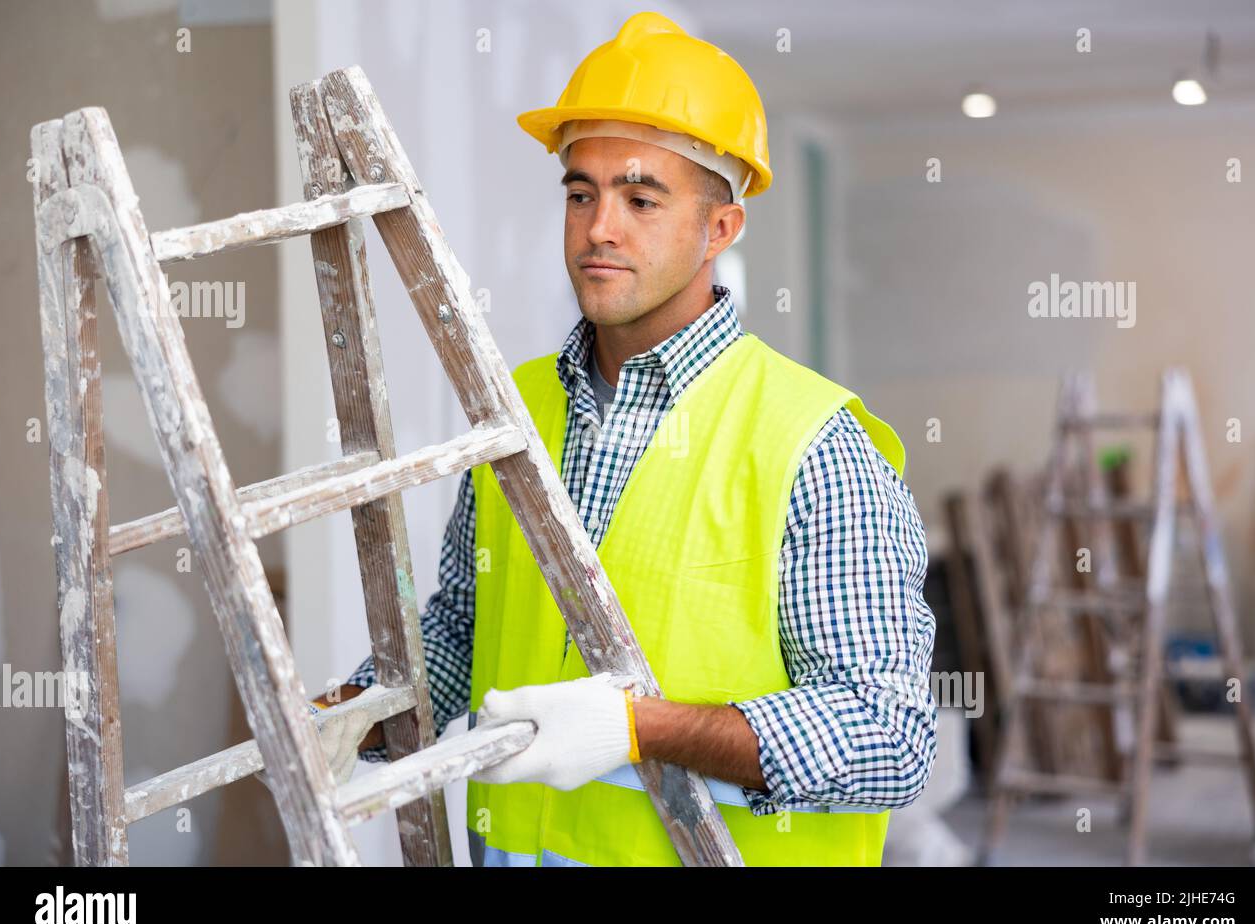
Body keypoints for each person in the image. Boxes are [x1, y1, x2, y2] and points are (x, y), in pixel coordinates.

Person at [314, 10, 937, 867]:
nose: (599, 227)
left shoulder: (812, 442)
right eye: (581, 193)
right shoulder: (517, 411)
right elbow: (463, 630)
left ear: (720, 230)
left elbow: (889, 735)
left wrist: (637, 730)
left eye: (641, 198)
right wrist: (354, 717)